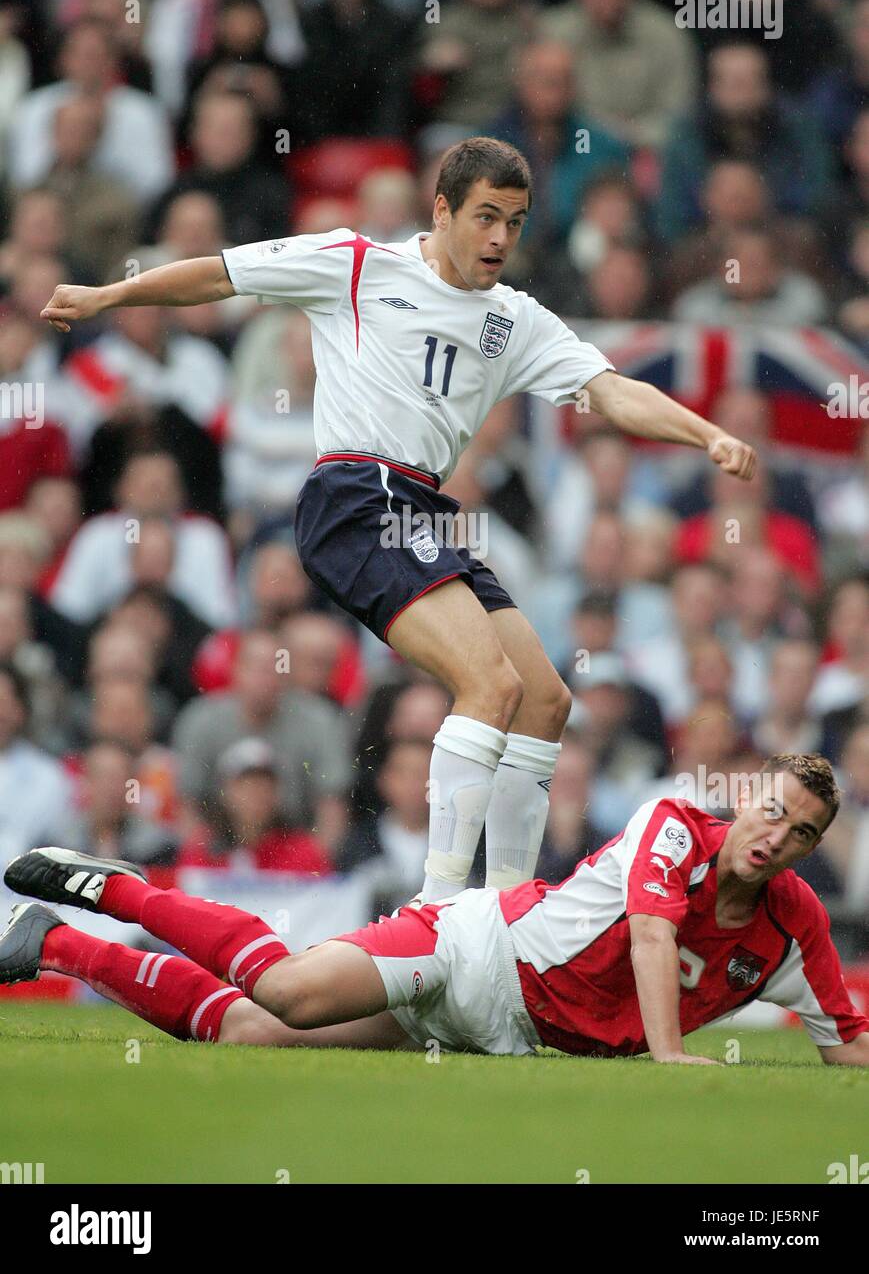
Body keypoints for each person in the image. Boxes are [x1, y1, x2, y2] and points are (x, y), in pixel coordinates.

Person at [36, 135, 757, 908]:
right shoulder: (354, 263)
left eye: (514, 222)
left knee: (544, 699)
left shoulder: (514, 319)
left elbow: (610, 391)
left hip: (422, 513)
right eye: (484, 217)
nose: (499, 239)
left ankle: (512, 911)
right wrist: (111, 296)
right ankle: (442, 908)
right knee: (488, 682)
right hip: (356, 496)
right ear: (441, 209)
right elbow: (220, 275)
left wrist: (704, 431)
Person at [5, 754, 869, 1066]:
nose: (774, 838)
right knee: (287, 995)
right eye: (769, 812)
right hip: (471, 950)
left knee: (245, 1037)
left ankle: (58, 945)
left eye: (798, 834)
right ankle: (116, 888)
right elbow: (650, 935)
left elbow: (845, 1045)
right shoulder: (675, 825)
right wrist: (672, 1058)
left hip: (499, 1035)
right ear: (745, 799)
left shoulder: (794, 924)